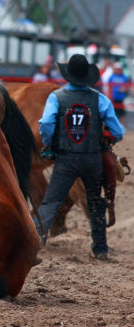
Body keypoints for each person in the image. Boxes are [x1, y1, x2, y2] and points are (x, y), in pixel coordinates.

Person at [35, 54, 124, 260]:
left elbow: (47, 124)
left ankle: (36, 241)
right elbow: (118, 132)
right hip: (92, 159)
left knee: (51, 202)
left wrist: (49, 143)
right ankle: (100, 249)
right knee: (95, 202)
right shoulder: (100, 99)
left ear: (68, 75)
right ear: (87, 76)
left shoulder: (56, 97)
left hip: (66, 158)